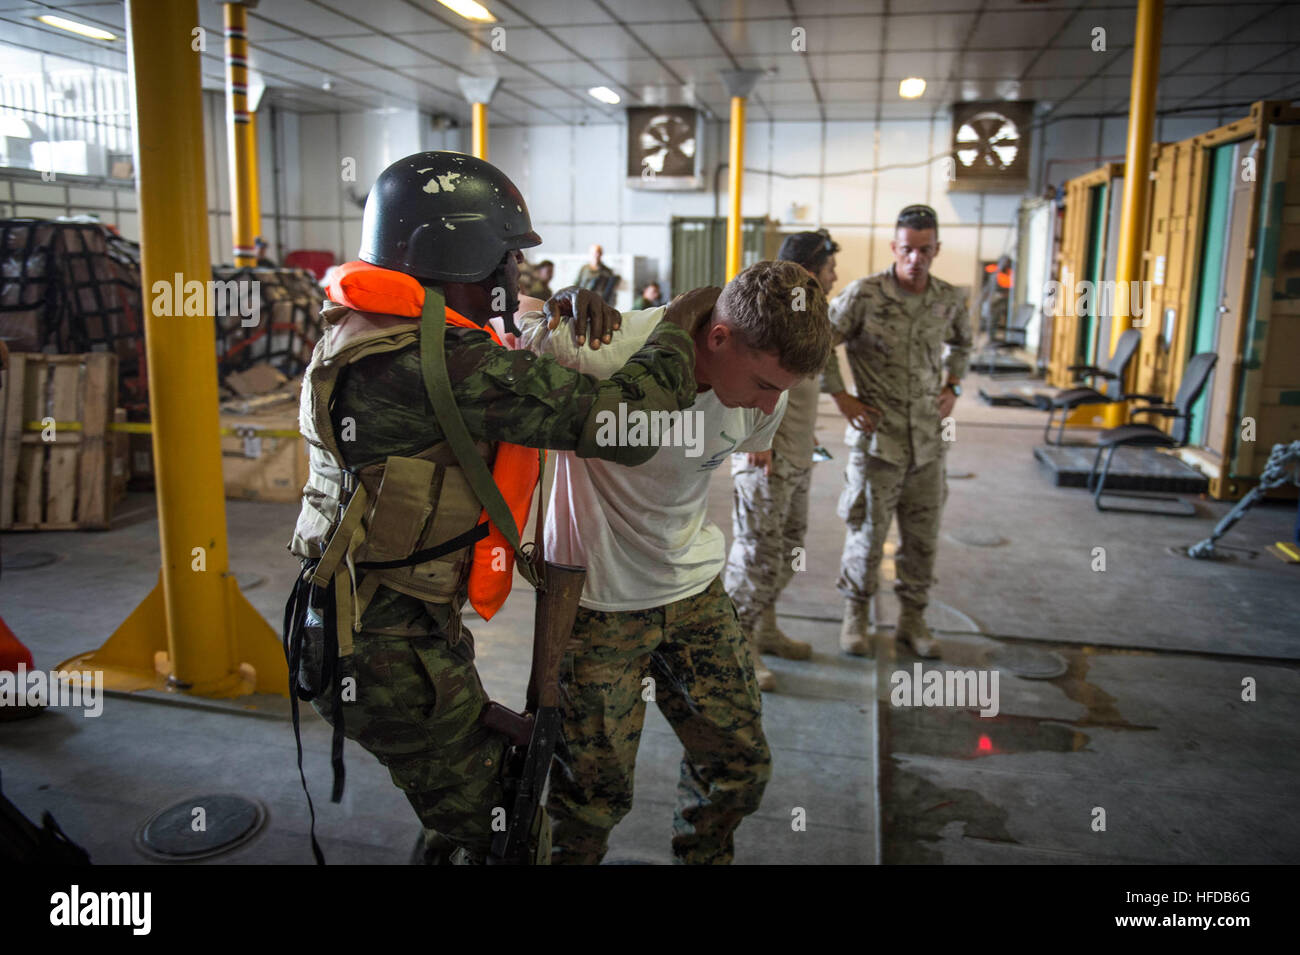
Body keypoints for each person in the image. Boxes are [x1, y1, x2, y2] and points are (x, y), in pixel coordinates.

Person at [284, 150, 717, 865]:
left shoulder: (371, 329)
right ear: (456, 253)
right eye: (505, 260)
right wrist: (680, 321)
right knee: (510, 832)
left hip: (370, 625)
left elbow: (503, 352)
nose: (515, 277)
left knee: (489, 798)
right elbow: (622, 422)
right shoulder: (441, 362)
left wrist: (568, 305)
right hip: (389, 650)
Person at [518, 260, 832, 864]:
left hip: (693, 592)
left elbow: (743, 428)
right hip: (596, 604)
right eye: (765, 383)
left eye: (783, 389)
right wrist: (552, 303)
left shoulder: (766, 397)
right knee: (589, 800)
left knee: (740, 766)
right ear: (718, 338)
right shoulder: (607, 349)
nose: (770, 404)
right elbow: (499, 311)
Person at [824, 204, 972, 659]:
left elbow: (963, 343)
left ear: (937, 250)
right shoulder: (864, 295)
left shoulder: (948, 298)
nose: (915, 259)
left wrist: (954, 386)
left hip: (928, 445)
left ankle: (913, 620)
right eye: (907, 249)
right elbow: (820, 340)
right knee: (867, 536)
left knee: (922, 540)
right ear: (894, 247)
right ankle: (855, 615)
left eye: (925, 250)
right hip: (877, 443)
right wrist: (841, 396)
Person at [724, 230, 839, 691]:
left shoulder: (812, 317)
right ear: (810, 270)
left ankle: (765, 629)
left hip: (797, 455)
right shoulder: (771, 312)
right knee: (756, 556)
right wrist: (756, 437)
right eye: (828, 268)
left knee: (789, 551)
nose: (834, 276)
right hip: (764, 457)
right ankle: (736, 646)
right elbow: (744, 371)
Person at [979, 254, 1013, 341]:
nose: (1006, 264)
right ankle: (990, 337)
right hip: (994, 299)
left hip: (1005, 300)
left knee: (999, 318)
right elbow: (989, 287)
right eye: (1004, 262)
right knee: (991, 318)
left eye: (1007, 263)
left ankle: (1000, 337)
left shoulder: (1010, 273)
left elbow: (1010, 287)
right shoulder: (994, 272)